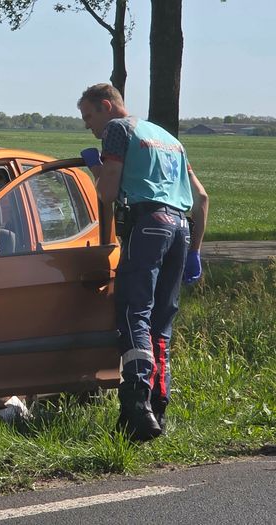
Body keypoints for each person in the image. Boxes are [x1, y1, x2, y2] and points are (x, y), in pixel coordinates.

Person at [77, 83, 209, 442]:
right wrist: (194, 251)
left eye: (89, 117)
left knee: (135, 312)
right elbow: (201, 197)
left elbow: (106, 193)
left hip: (147, 224)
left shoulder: (119, 130)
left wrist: (94, 165)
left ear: (107, 106)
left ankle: (136, 404)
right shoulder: (168, 138)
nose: (90, 126)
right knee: (161, 321)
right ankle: (159, 406)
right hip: (180, 229)